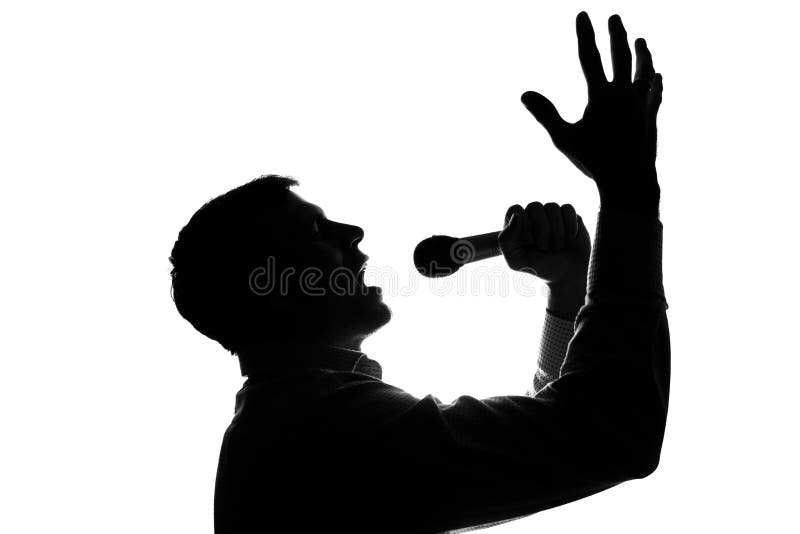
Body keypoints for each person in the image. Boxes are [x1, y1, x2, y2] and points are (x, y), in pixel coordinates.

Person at [168, 11, 669, 533]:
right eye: (315, 233)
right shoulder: (324, 428)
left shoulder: (299, 425)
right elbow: (608, 428)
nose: (353, 232)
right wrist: (629, 189)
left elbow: (554, 428)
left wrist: (568, 288)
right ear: (265, 290)